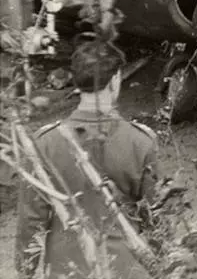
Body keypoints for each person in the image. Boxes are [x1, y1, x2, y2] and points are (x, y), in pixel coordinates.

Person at [16, 40, 159, 279]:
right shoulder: (141, 141)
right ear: (115, 81)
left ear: (76, 82)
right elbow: (157, 219)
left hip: (66, 271)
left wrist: (25, 272)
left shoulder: (44, 143)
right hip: (125, 269)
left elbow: (31, 223)